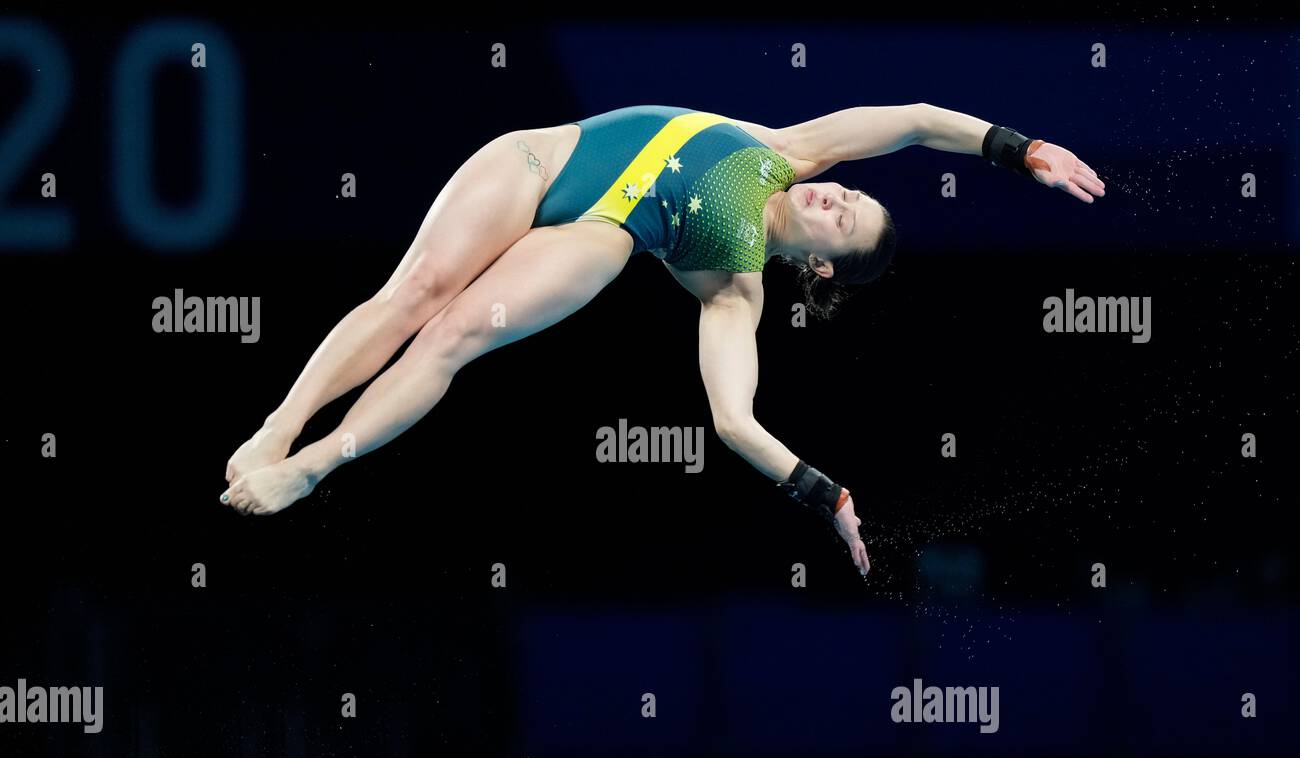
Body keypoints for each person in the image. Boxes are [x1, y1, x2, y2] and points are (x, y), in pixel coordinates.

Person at [221, 103, 1104, 577]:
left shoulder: (735, 288)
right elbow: (914, 119)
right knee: (415, 288)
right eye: (850, 195)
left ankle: (317, 462)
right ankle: (278, 426)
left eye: (846, 224)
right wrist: (1018, 151)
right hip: (547, 156)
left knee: (452, 334)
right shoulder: (787, 150)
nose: (837, 202)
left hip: (596, 234)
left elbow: (732, 421)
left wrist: (822, 492)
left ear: (825, 268)